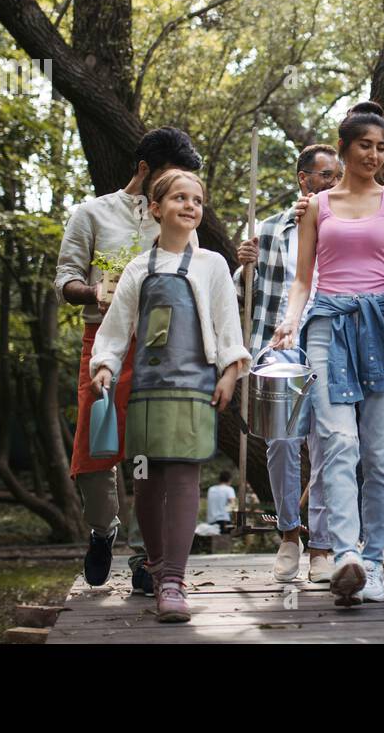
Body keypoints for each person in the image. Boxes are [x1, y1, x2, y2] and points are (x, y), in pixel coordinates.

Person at [271, 101, 384, 607]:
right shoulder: (317, 206)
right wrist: (291, 318)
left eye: (381, 147)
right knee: (336, 442)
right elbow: (303, 277)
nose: (374, 155)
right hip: (326, 326)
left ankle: (373, 561)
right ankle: (345, 554)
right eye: (364, 146)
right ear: (343, 147)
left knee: (378, 452)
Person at [90, 169, 250, 623]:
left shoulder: (213, 265)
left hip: (195, 390)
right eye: (179, 198)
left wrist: (230, 373)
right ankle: (157, 571)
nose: (190, 206)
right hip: (145, 393)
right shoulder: (139, 268)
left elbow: (227, 325)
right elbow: (116, 330)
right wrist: (103, 366)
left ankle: (175, 582)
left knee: (183, 479)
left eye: (196, 199)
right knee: (145, 482)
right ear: (156, 208)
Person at [54, 126, 202, 594]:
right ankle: (103, 530)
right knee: (95, 450)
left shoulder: (179, 219)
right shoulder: (92, 213)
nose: (177, 192)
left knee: (152, 455)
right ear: (143, 170)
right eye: (170, 178)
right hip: (102, 342)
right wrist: (94, 290)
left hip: (161, 347)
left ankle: (146, 558)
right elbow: (64, 279)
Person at [235, 144, 341, 584]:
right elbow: (241, 296)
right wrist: (243, 267)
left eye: (338, 175)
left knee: (326, 442)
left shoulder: (344, 226)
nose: (333, 182)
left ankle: (321, 543)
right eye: (324, 175)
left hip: (333, 344)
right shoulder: (270, 229)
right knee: (282, 442)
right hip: (279, 345)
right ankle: (287, 533)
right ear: (303, 179)